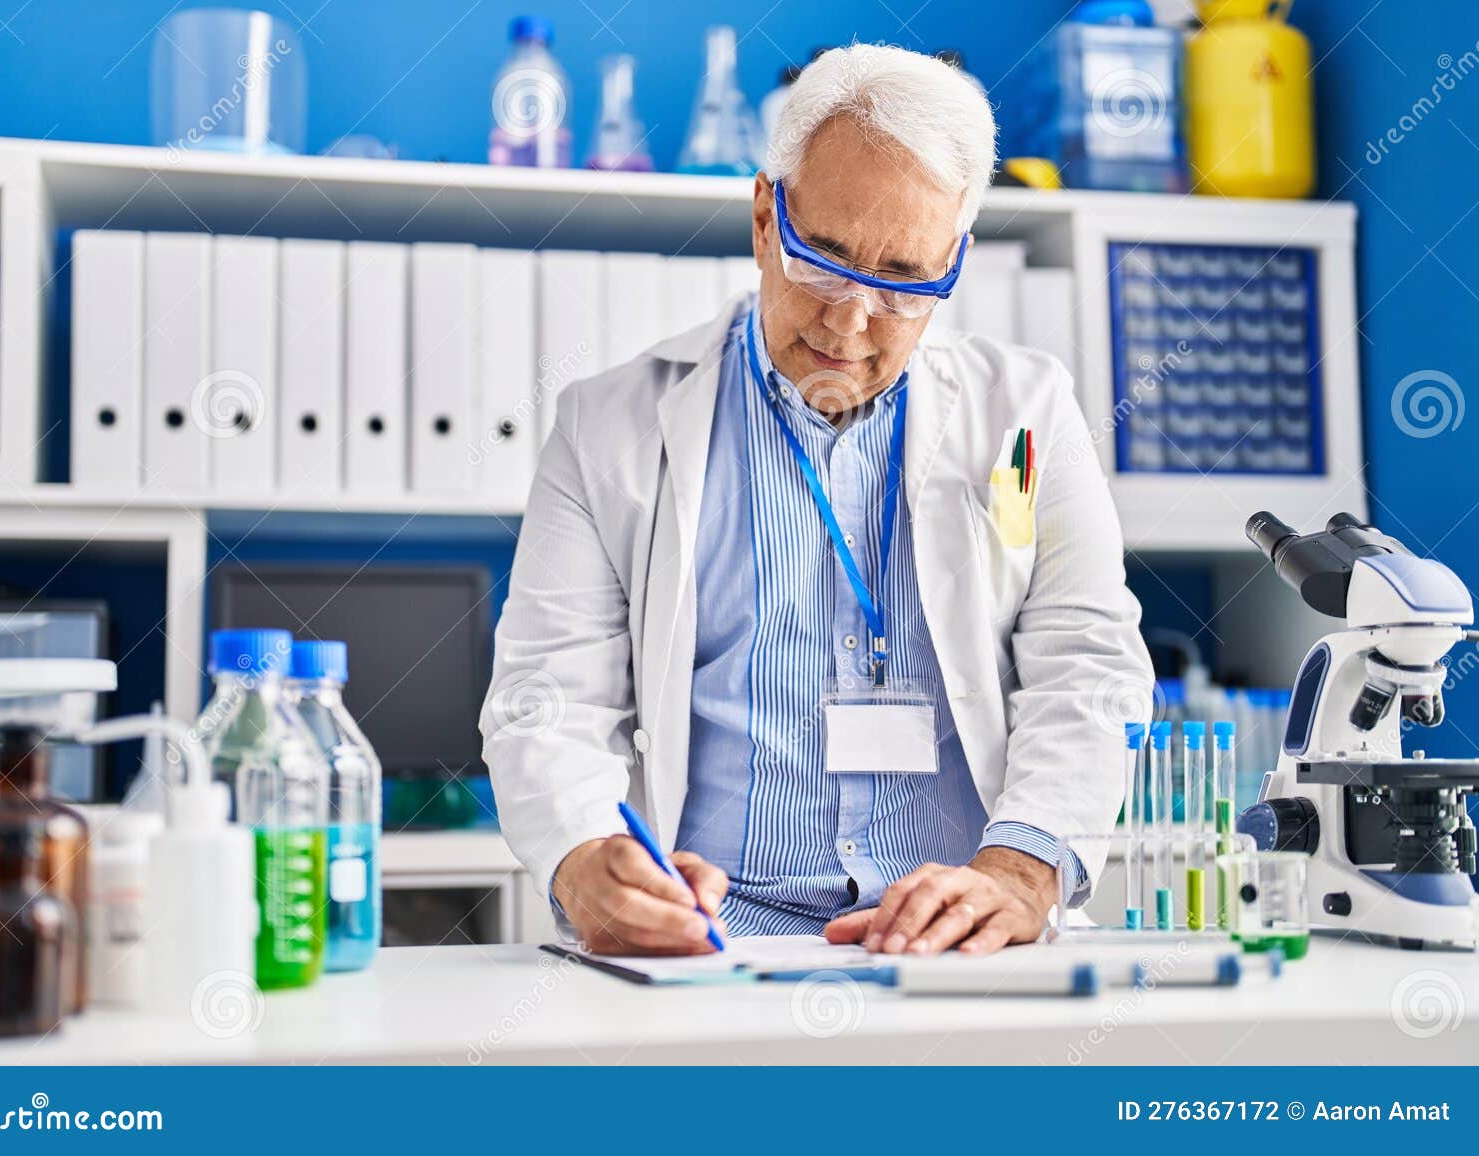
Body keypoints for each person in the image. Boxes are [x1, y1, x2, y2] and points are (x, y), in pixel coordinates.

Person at [481, 43, 1152, 957]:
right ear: (766, 217)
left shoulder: (1026, 414)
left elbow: (1089, 664)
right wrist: (583, 854)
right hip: (715, 946)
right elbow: (543, 697)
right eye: (823, 260)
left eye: (904, 283)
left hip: (954, 947)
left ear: (954, 259)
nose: (850, 321)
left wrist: (1022, 870)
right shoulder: (609, 428)